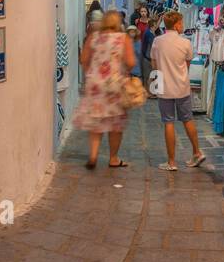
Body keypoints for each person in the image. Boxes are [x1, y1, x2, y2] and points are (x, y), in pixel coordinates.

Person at [75, 9, 135, 169]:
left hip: (95, 84)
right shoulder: (123, 39)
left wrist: (90, 71)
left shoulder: (94, 37)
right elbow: (130, 62)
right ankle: (113, 158)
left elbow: (83, 59)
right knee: (115, 124)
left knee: (96, 122)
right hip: (115, 85)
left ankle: (93, 156)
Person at [149, 10, 206, 171]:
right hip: (182, 87)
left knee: (168, 122)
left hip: (163, 87)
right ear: (176, 24)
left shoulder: (157, 41)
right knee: (188, 119)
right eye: (181, 22)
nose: (183, 25)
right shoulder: (185, 43)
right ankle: (197, 152)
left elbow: (154, 66)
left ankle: (172, 162)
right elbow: (186, 66)